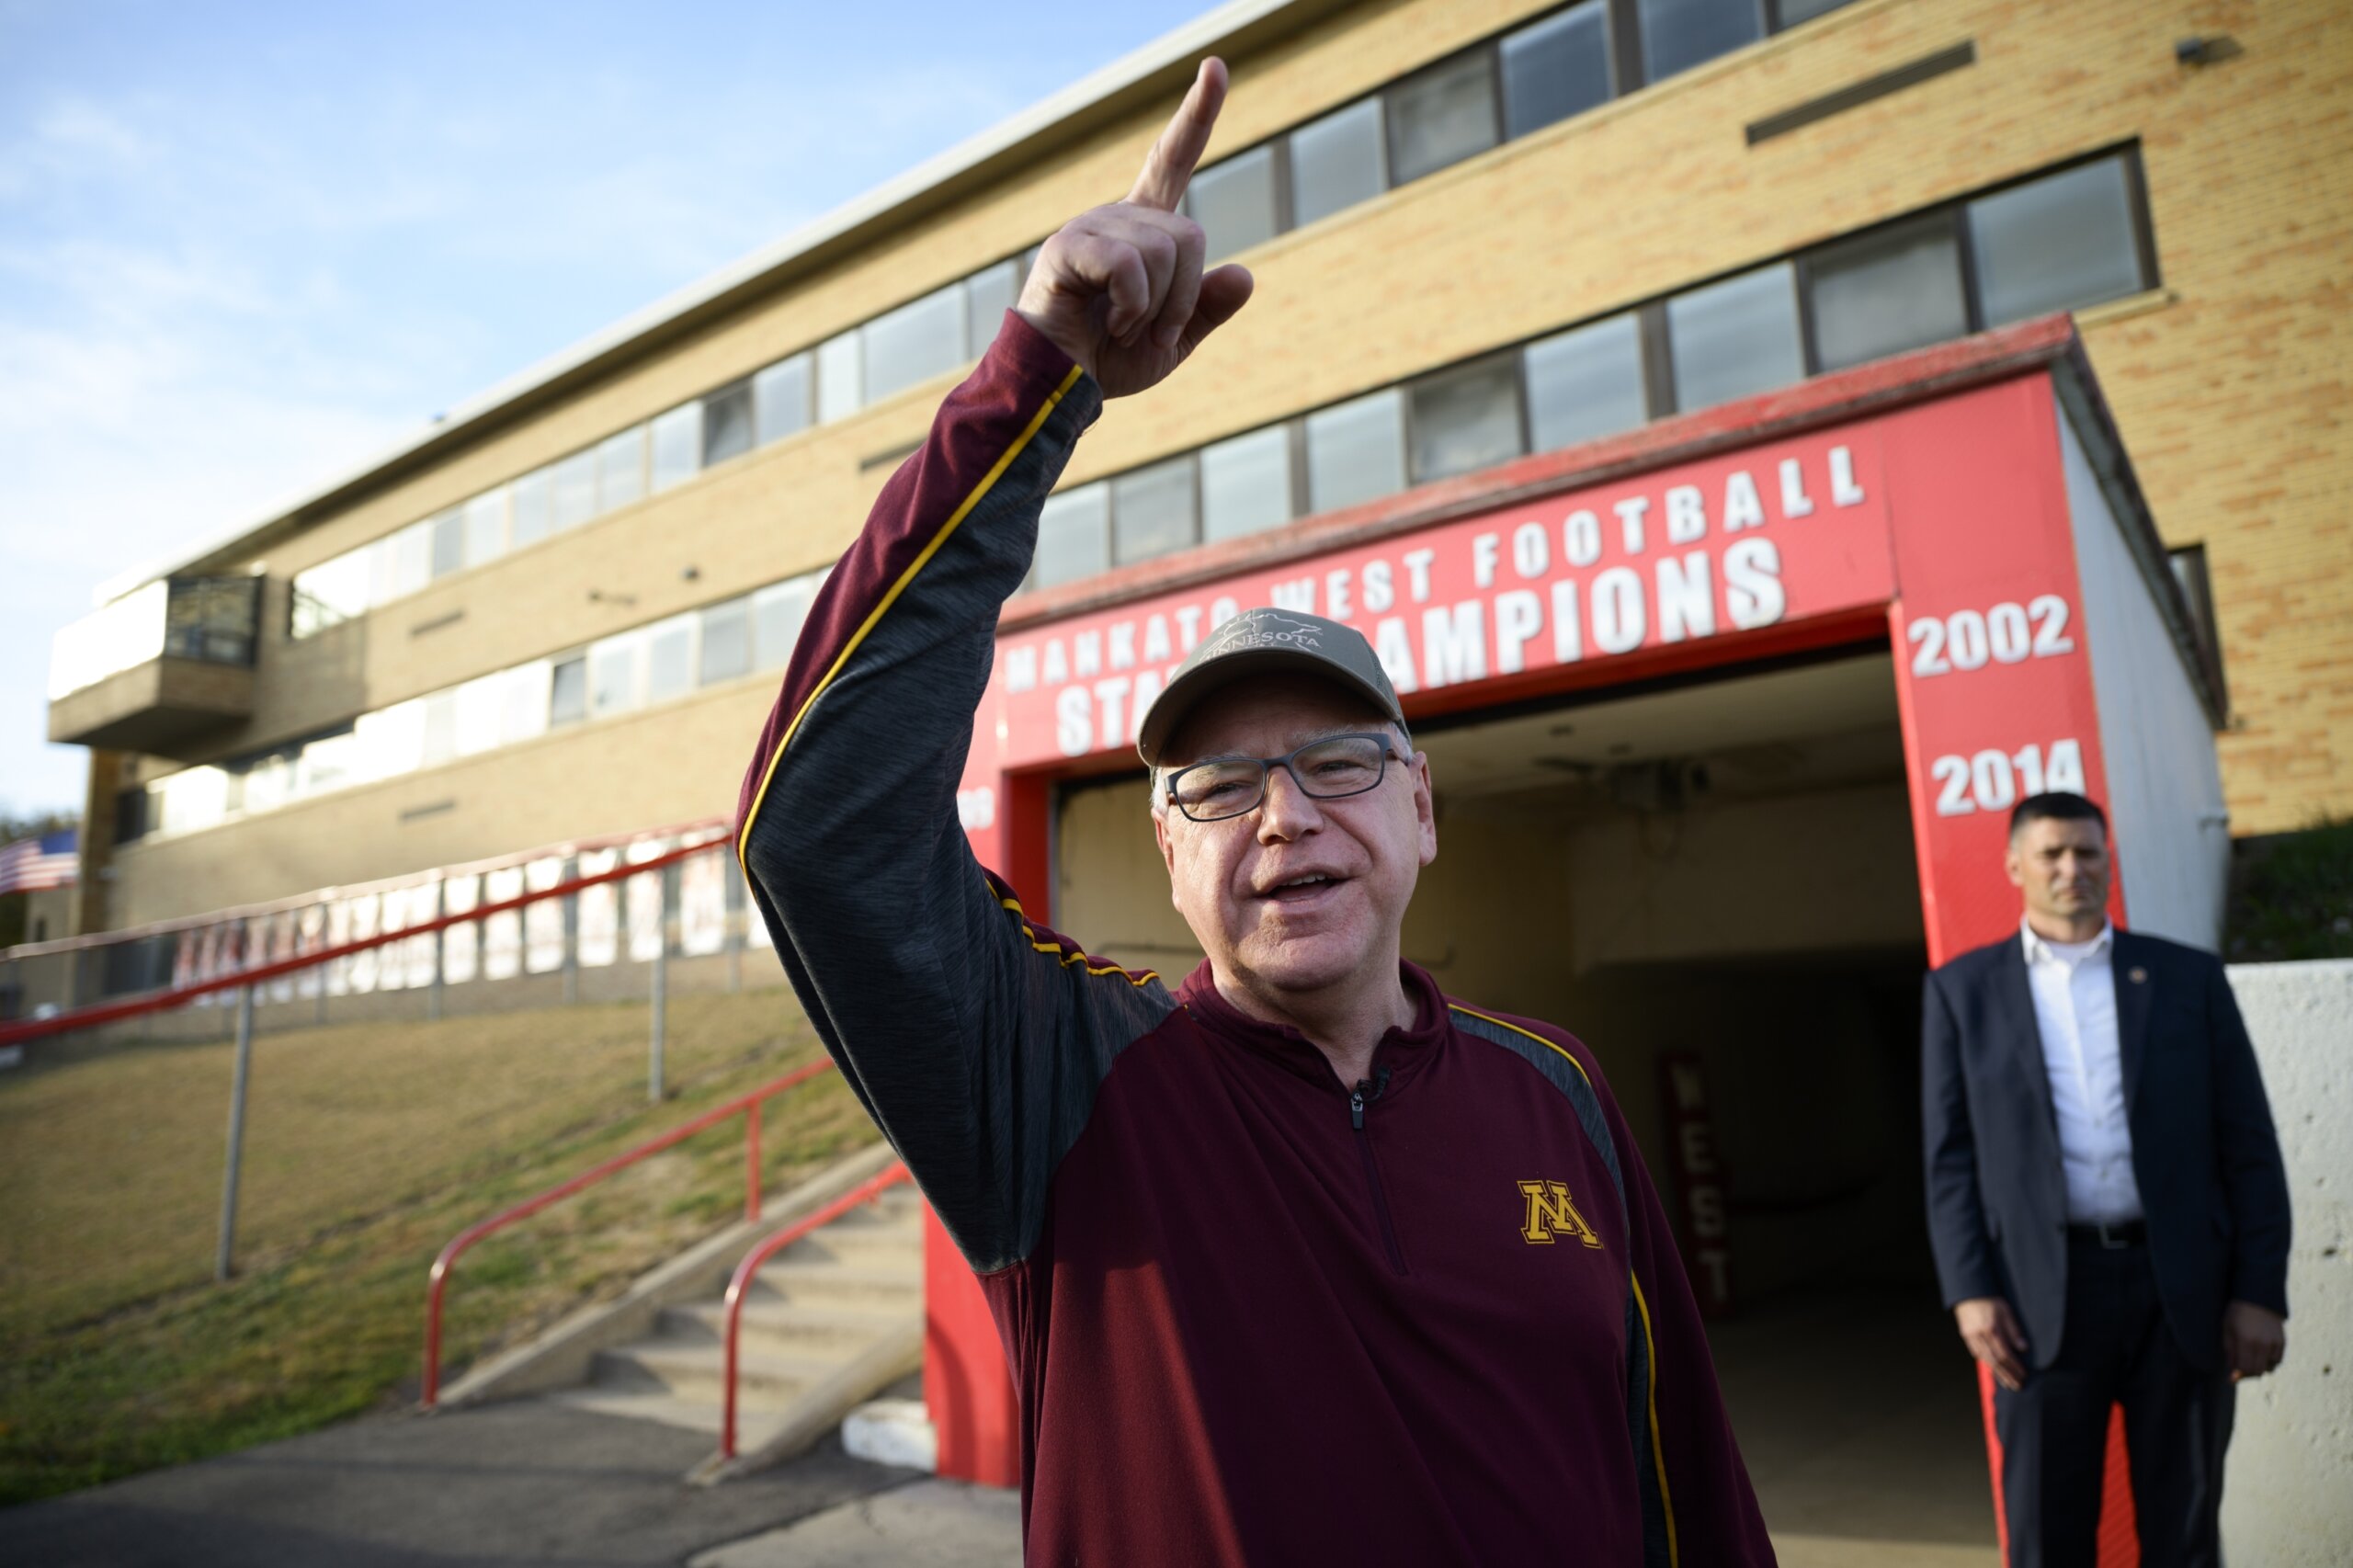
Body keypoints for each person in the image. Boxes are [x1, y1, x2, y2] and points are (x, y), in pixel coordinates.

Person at [735, 57, 1773, 1568]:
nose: (1282, 818)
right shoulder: (1065, 1091)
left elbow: (1687, 1483)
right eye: (1218, 788)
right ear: (1169, 855)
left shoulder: (1559, 1095)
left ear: (1423, 810)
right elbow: (820, 831)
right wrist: (1036, 378)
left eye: (1338, 765)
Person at [1920, 791, 2291, 1566]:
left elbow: (2249, 1145)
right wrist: (1970, 1292)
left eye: (2087, 852)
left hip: (2180, 1293)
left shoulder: (2188, 980)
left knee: (2184, 1534)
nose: (2071, 868)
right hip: (2037, 1303)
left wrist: (2259, 1291)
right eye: (2051, 853)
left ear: (2108, 860)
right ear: (2014, 865)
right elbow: (1950, 1159)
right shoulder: (1962, 992)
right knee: (2047, 1537)